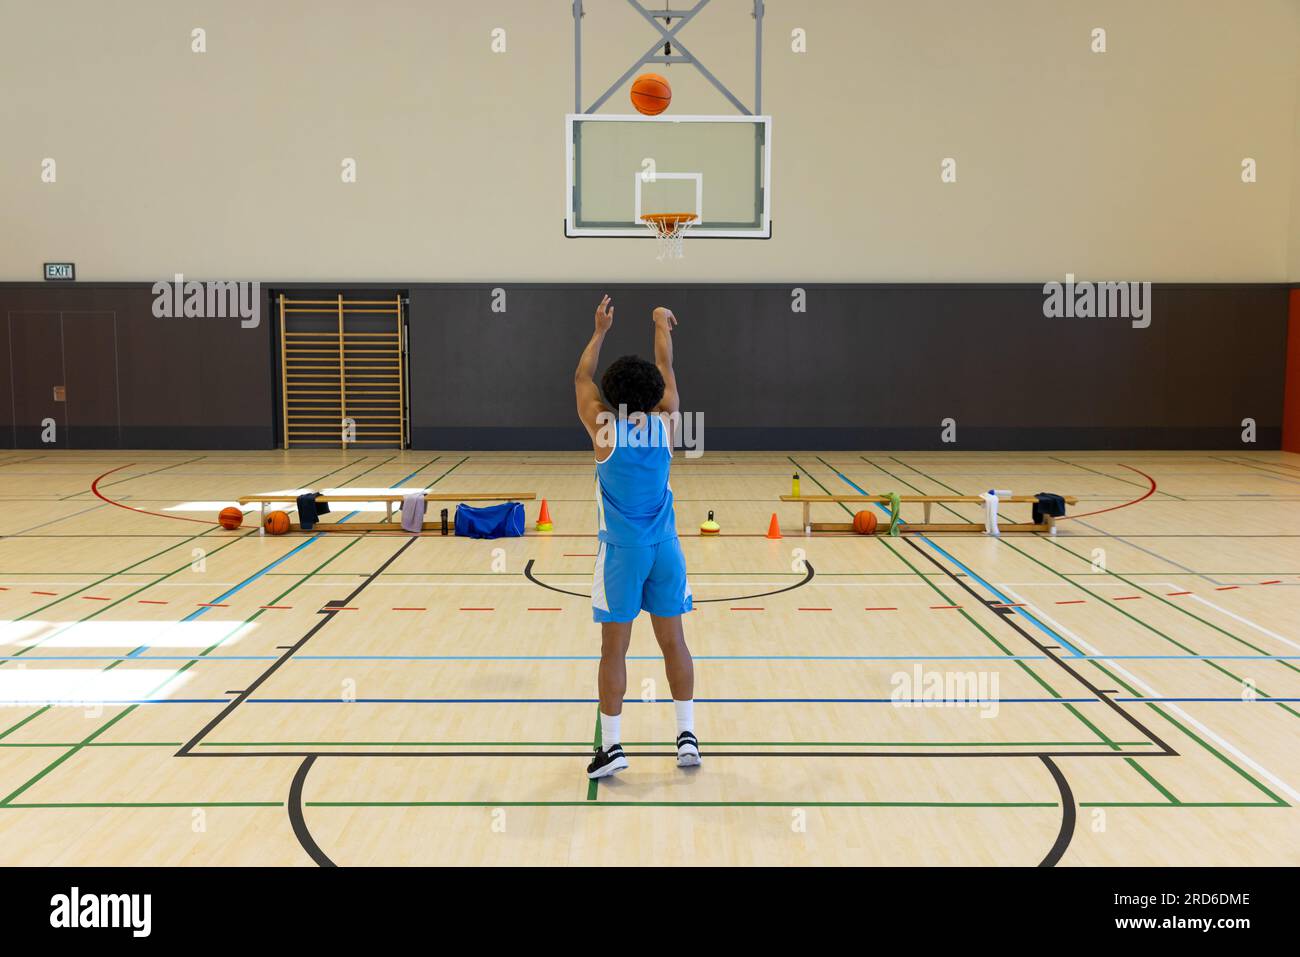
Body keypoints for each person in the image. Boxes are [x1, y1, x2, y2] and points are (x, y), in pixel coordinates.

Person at [573, 295, 698, 779]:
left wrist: (601, 330)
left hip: (621, 555)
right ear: (653, 396)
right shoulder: (667, 422)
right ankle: (686, 736)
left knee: (614, 651)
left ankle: (613, 747)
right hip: (665, 550)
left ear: (610, 398)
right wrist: (659, 321)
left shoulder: (603, 431)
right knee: (675, 644)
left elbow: (582, 378)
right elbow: (665, 365)